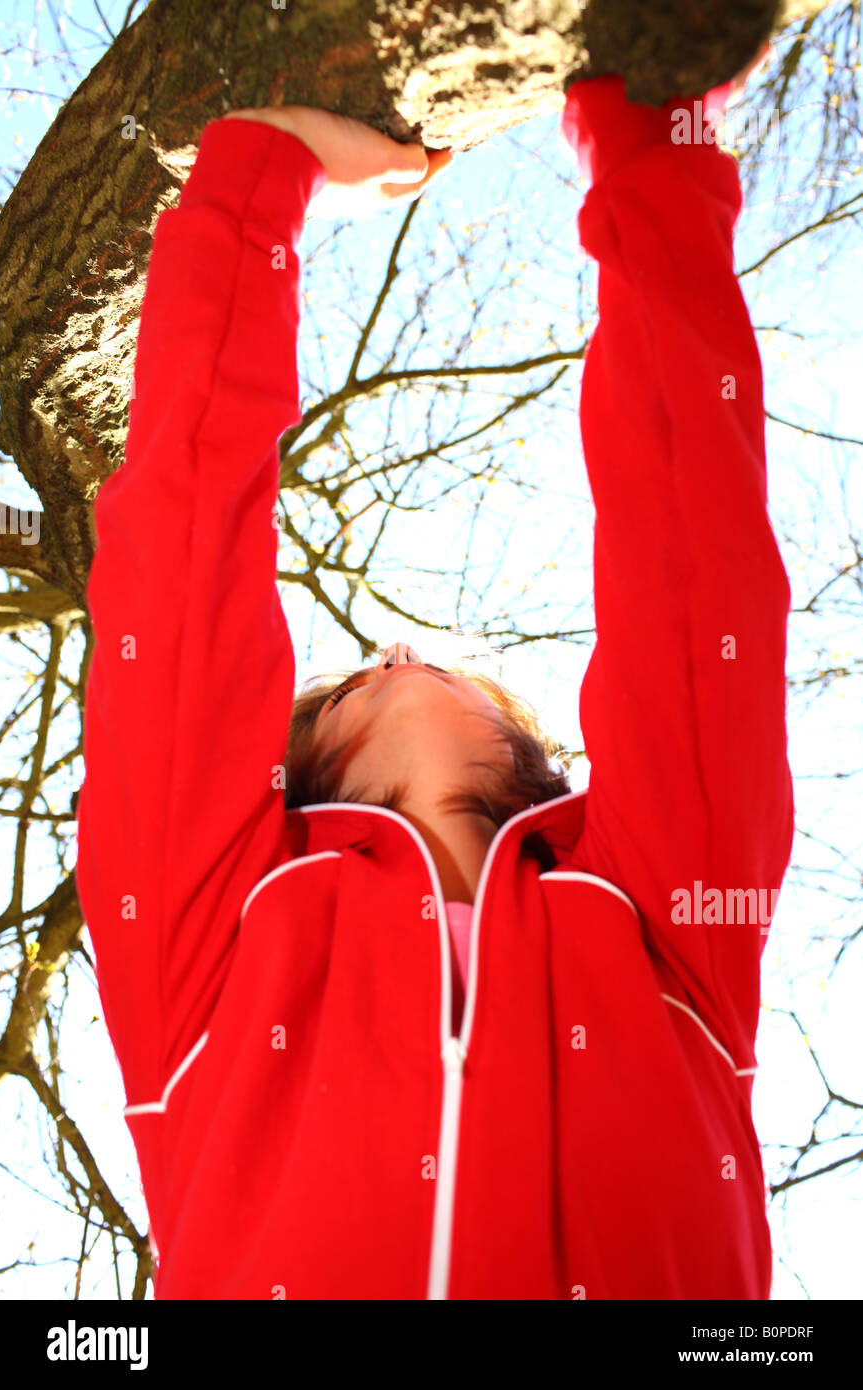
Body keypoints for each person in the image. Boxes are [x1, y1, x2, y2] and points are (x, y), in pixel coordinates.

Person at [77, 42, 793, 1300]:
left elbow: (177, 566)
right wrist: (653, 147)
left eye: (381, 664)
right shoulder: (227, 944)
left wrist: (258, 187)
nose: (401, 647)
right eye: (368, 672)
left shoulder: (644, 912)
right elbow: (704, 564)